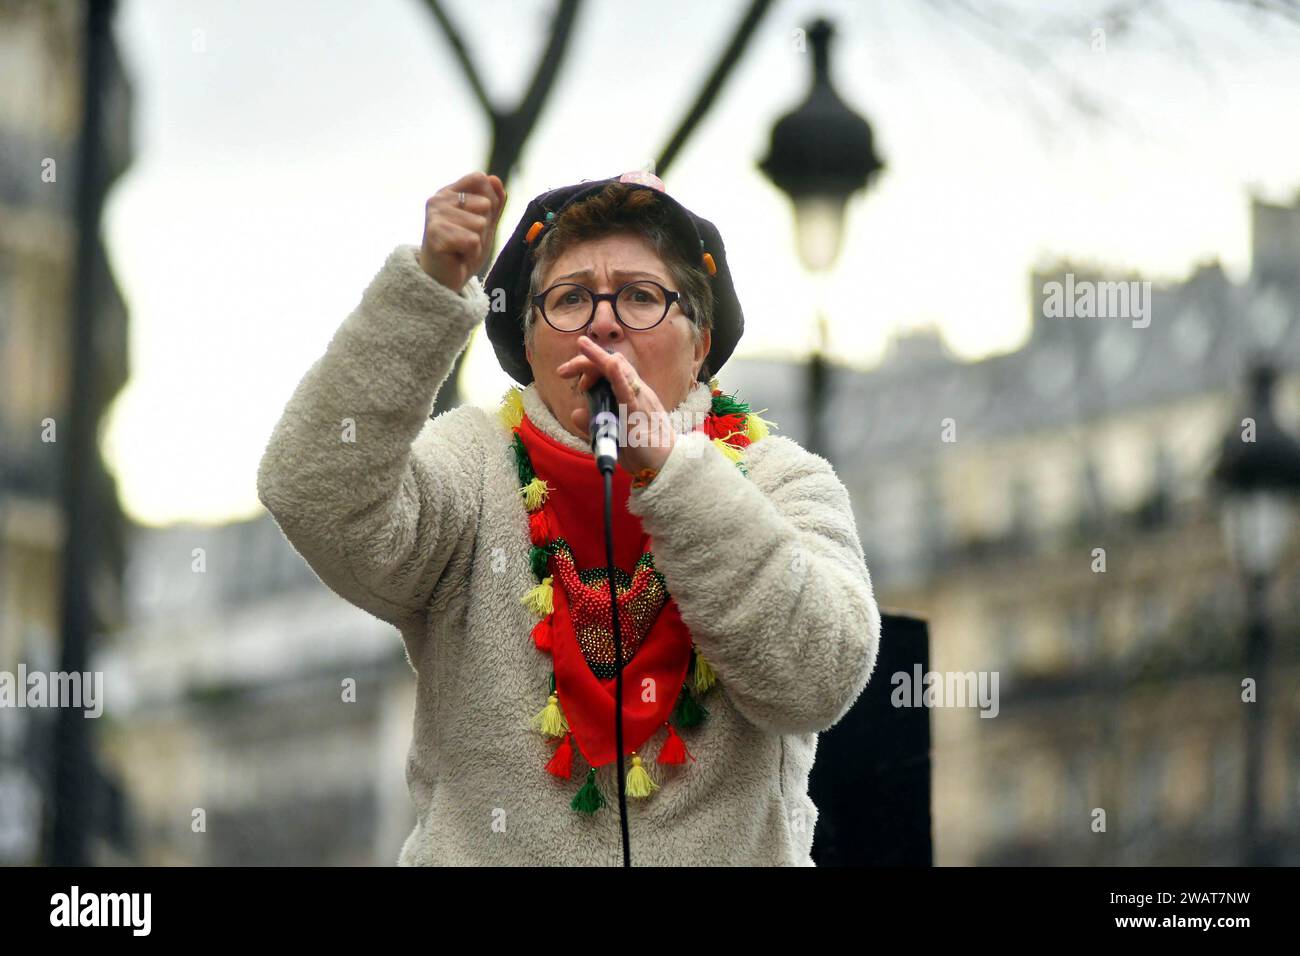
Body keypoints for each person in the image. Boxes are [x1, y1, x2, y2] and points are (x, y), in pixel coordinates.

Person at [256, 169, 882, 866]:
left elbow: (820, 676)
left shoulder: (782, 480)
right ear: (530, 344)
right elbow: (313, 491)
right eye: (571, 298)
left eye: (641, 296)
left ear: (700, 343)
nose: (604, 320)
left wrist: (677, 476)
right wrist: (427, 291)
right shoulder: (470, 463)